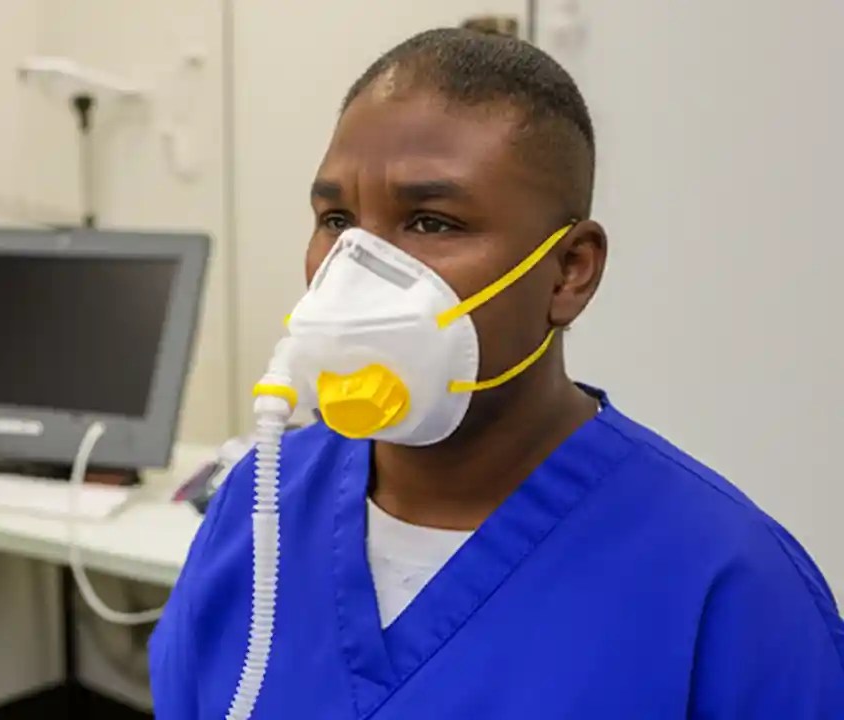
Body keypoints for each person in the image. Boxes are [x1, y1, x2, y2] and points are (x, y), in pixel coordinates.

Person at [150, 29, 844, 718]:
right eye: (337, 219)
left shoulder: (729, 588)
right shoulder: (260, 506)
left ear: (570, 270)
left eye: (429, 222)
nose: (354, 273)